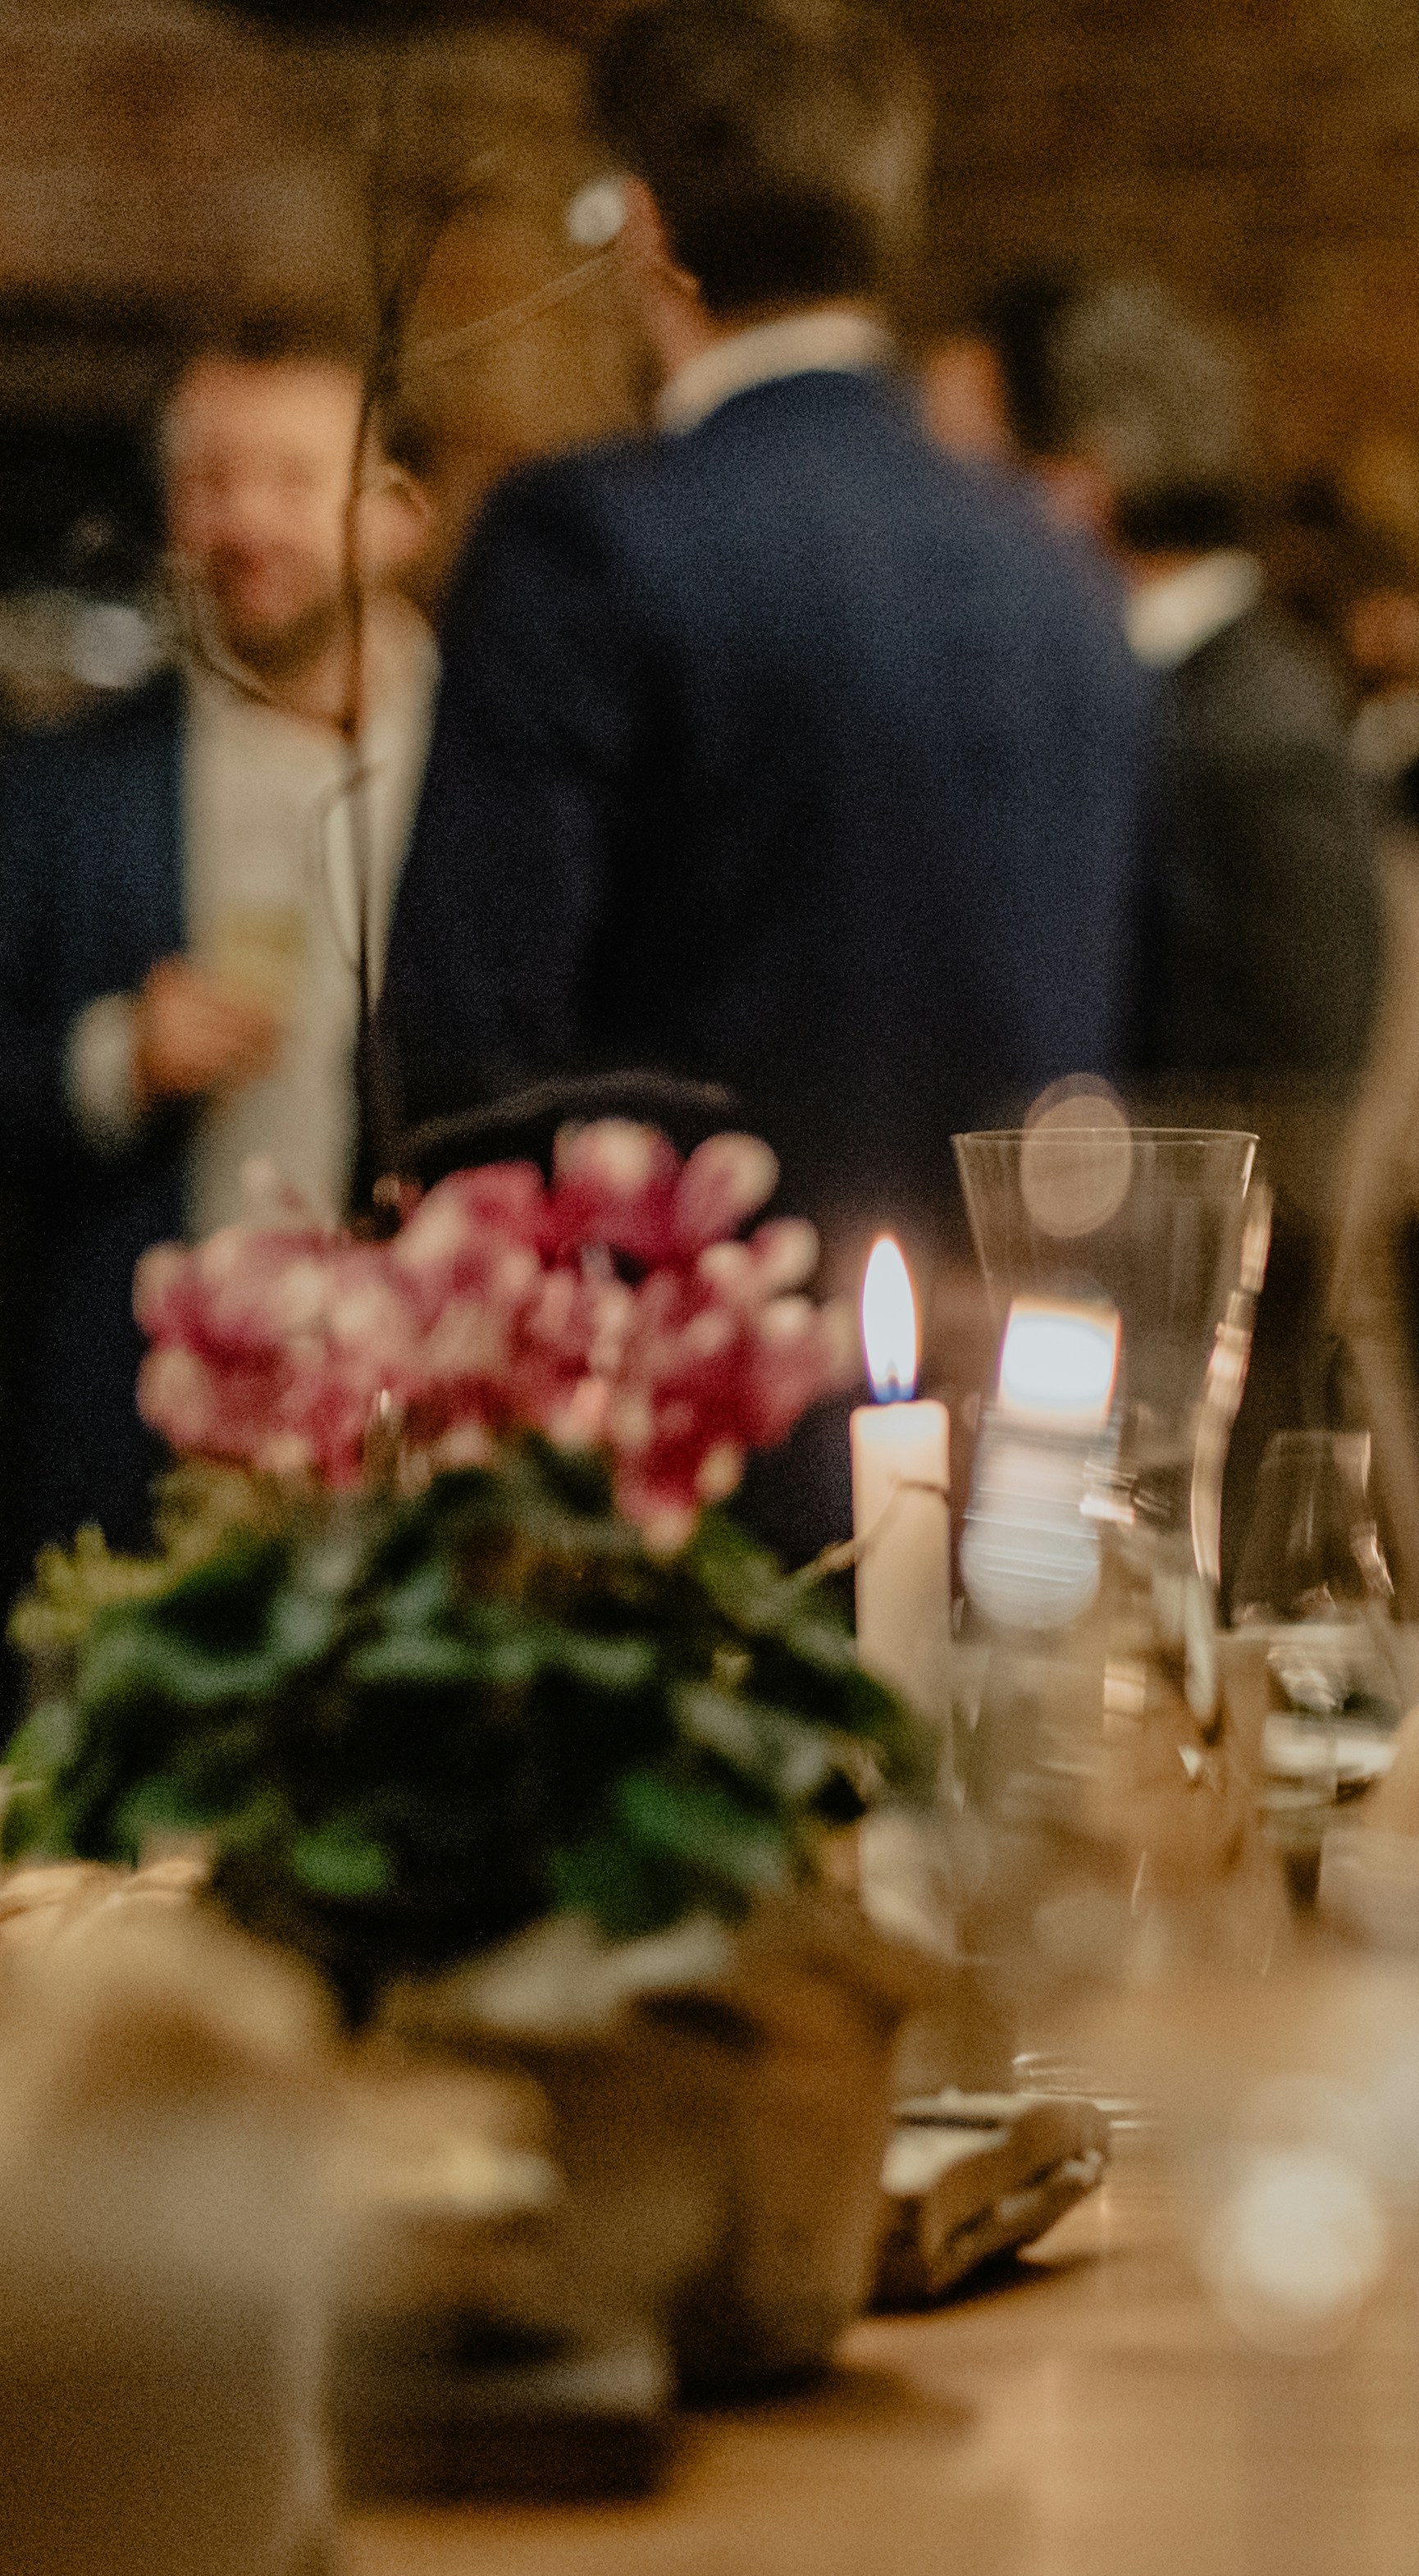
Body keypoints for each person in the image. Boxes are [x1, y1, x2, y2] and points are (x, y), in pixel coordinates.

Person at [379, 0, 1150, 1539]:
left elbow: (472, 1052)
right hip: (1022, 1449)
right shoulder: (1055, 572)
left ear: (647, 234)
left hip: (681, 1463)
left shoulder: (585, 540)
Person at [0, 325, 436, 1591]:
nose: (245, 523)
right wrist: (117, 1059)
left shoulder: (496, 775)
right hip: (144, 1452)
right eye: (211, 483)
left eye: (290, 480)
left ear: (397, 515)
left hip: (434, 1439)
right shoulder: (57, 787)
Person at [974, 270, 1383, 1472]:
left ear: (1080, 482)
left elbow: (1285, 1129)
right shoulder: (1177, 706)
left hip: (1203, 1410)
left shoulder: (1253, 729)